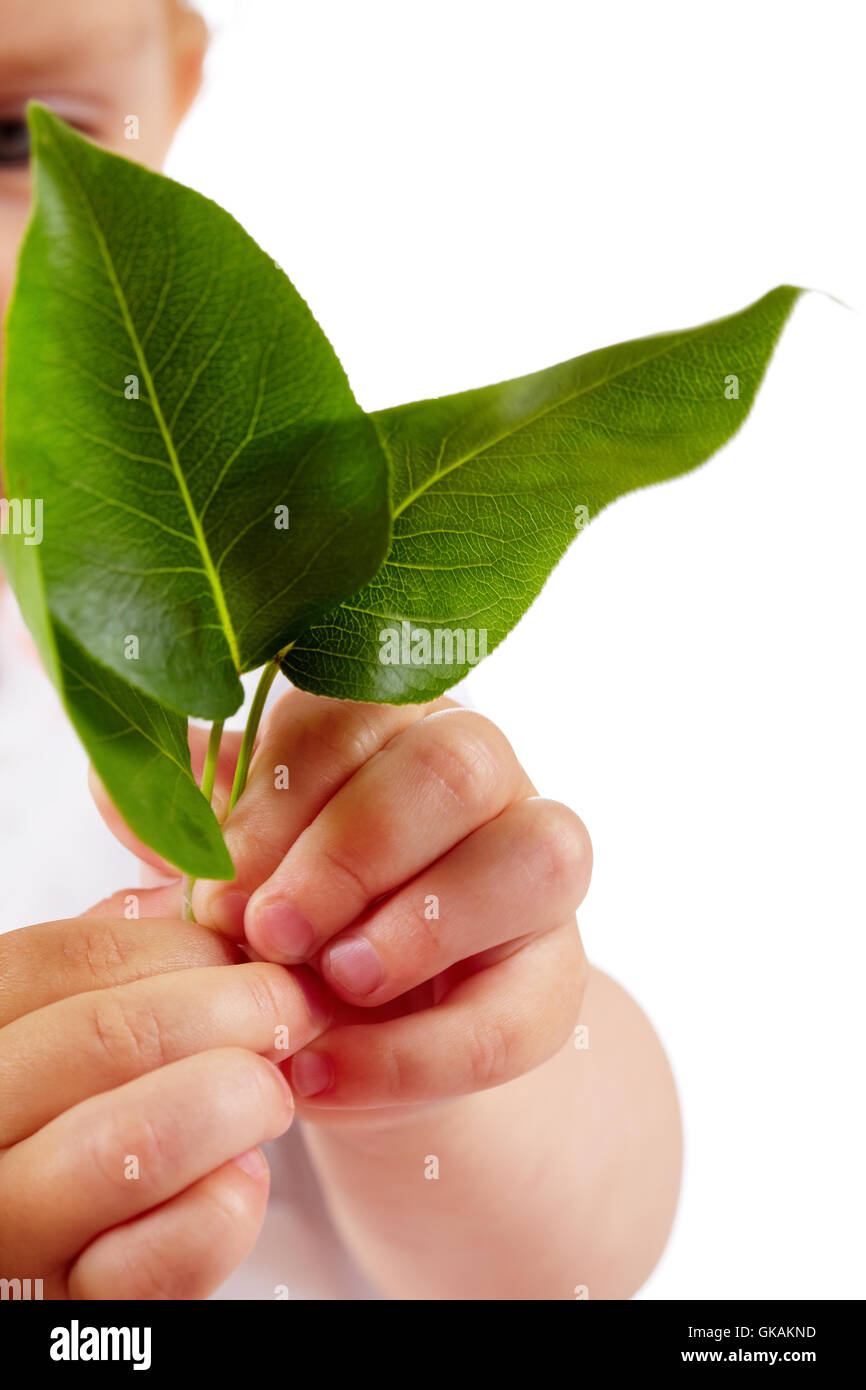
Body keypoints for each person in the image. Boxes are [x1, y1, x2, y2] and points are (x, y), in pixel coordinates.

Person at [0, 0, 681, 1300]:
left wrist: (426, 1040)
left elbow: (560, 1256)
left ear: (171, 81)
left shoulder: (226, 672)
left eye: (12, 139)